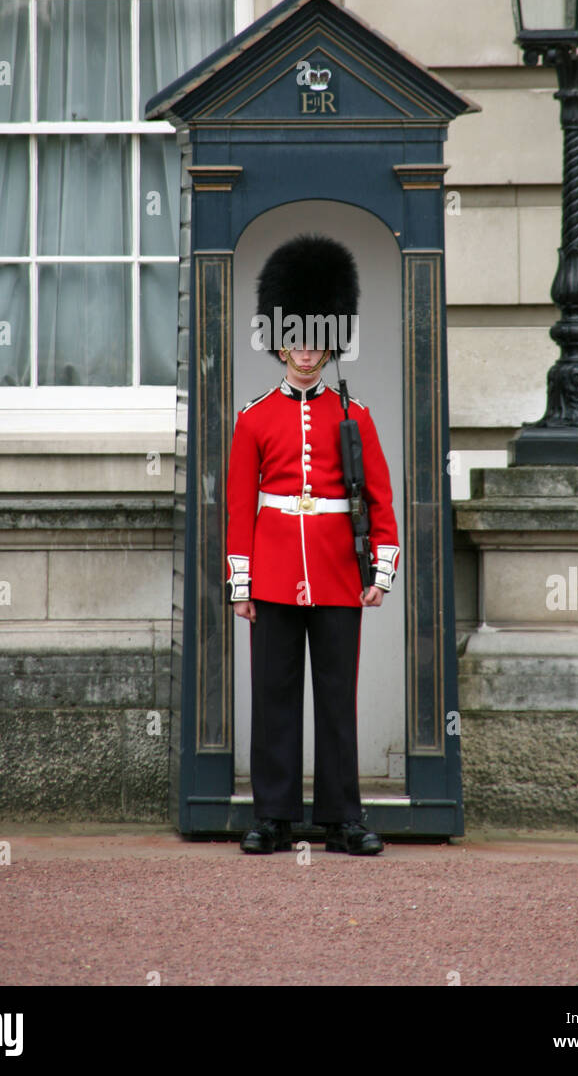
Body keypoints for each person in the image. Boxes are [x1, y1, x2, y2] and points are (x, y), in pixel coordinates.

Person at [226, 234, 400, 856]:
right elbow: (241, 507)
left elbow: (380, 499)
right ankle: (273, 816)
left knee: (335, 698)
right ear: (279, 340)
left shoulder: (358, 415)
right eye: (294, 337)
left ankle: (341, 818)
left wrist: (380, 570)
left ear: (331, 341)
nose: (305, 350)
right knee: (273, 696)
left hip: (334, 573)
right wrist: (241, 585)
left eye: (316, 338)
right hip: (273, 573)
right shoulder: (253, 417)